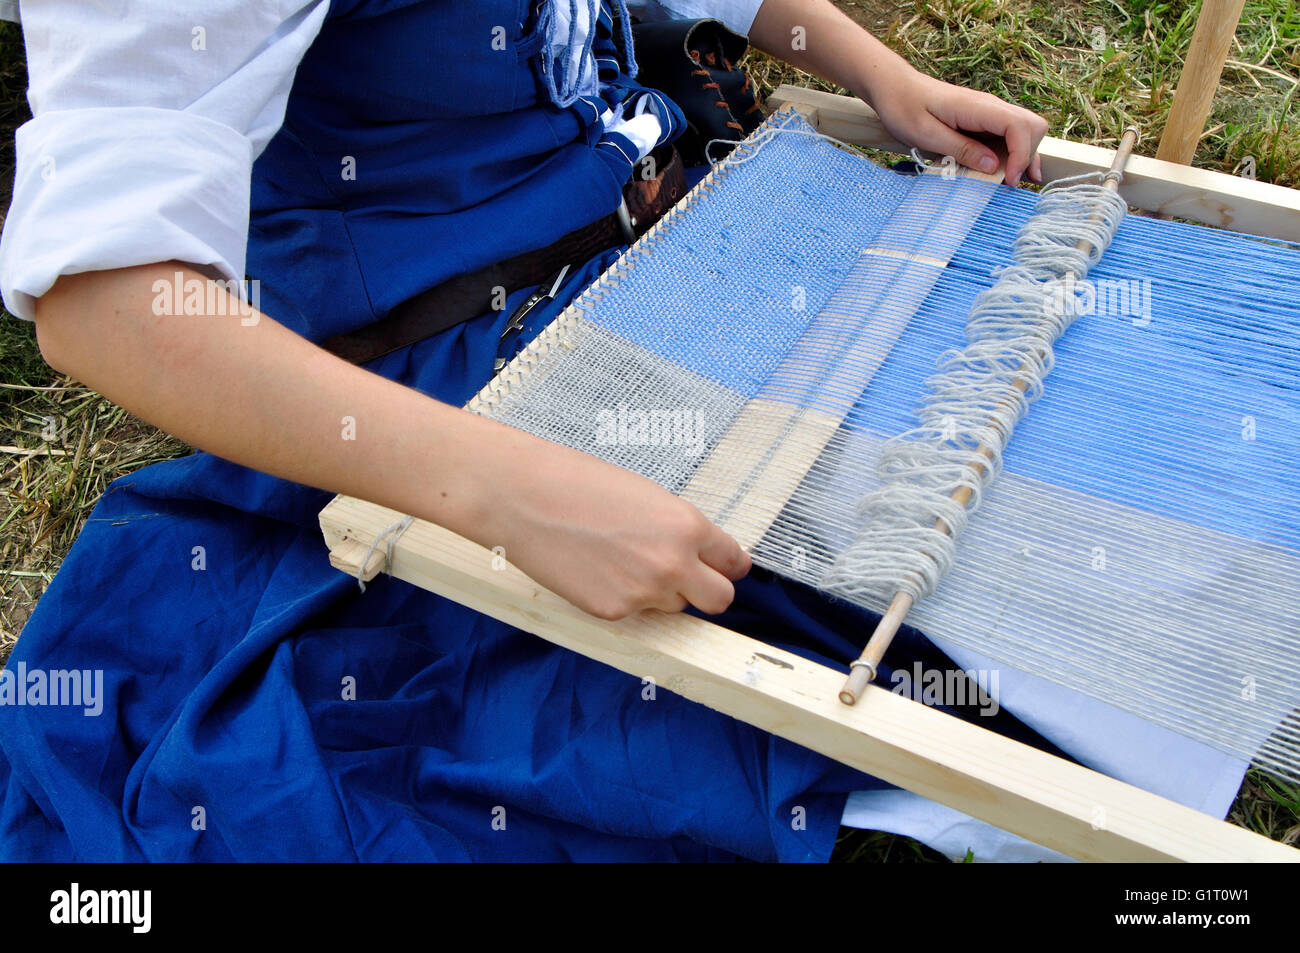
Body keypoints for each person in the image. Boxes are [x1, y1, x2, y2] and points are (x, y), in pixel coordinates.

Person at [0, 0, 1050, 861]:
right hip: (464, 363)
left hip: (680, 245)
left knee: (1020, 466)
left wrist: (879, 77)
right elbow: (107, 302)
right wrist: (508, 494)